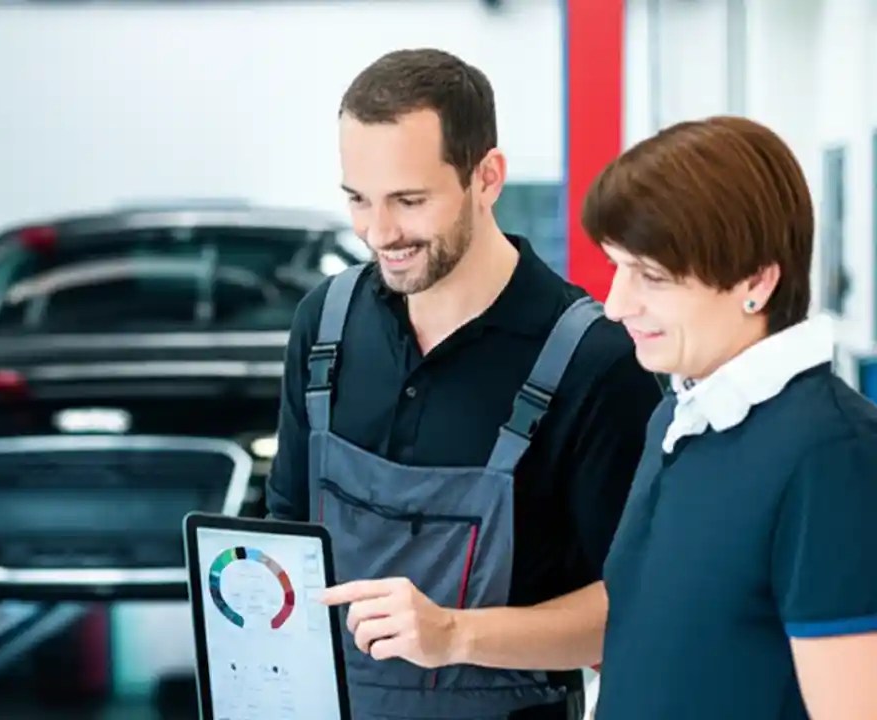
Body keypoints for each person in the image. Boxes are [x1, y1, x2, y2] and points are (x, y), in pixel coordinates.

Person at [263, 48, 662, 720]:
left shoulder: (594, 363)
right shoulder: (323, 325)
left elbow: (637, 607)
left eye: (409, 200)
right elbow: (286, 536)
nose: (379, 232)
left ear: (486, 177)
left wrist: (453, 634)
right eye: (358, 199)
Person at [582, 115, 877, 719]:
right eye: (617, 267)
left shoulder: (832, 455)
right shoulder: (677, 418)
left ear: (756, 282)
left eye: (651, 277)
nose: (615, 305)